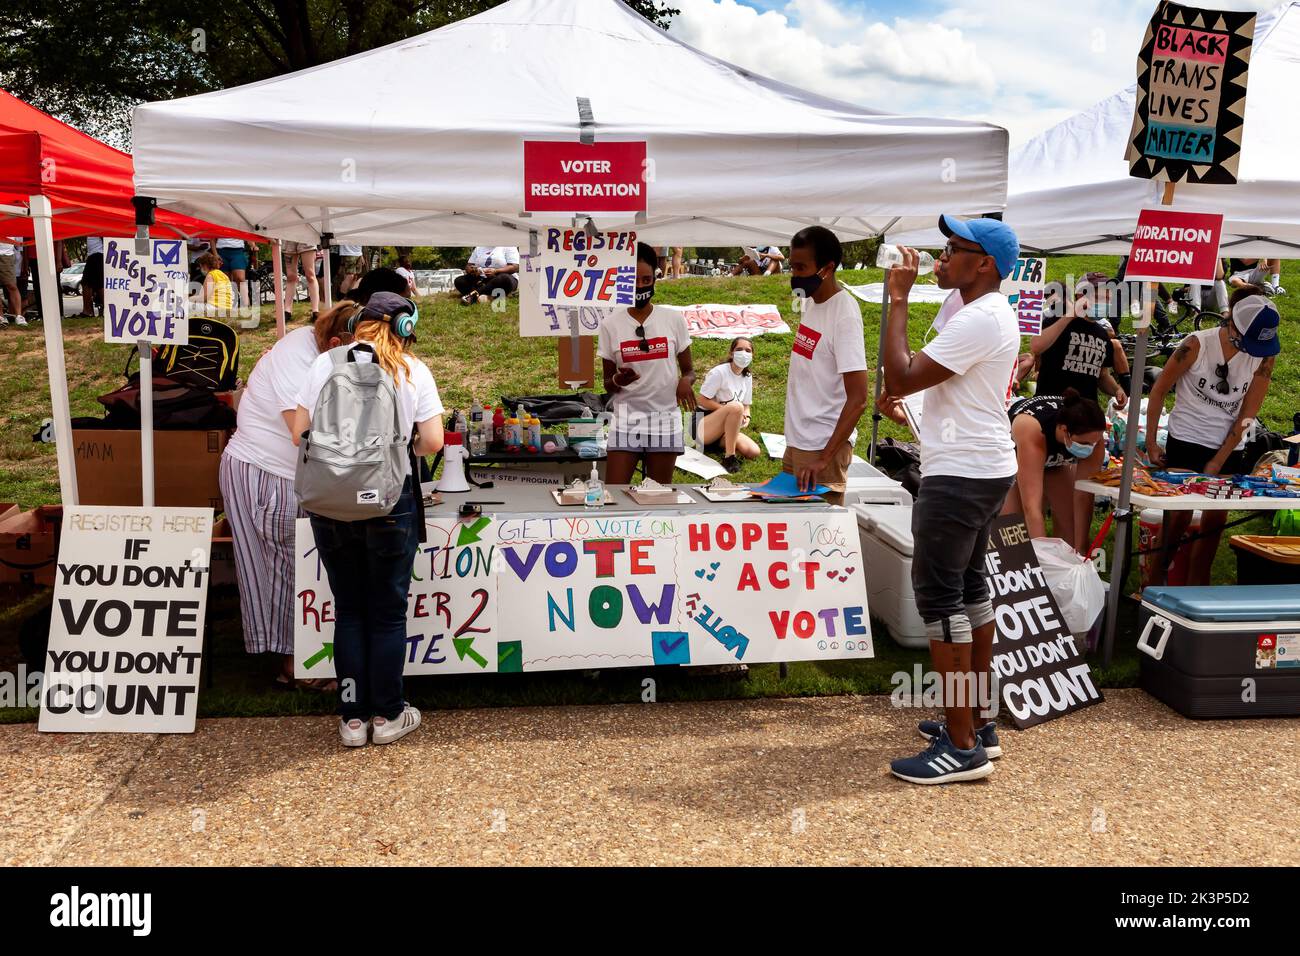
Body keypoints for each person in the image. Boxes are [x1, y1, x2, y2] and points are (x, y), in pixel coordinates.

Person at [878, 216, 1022, 786]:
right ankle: (978, 721)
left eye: (951, 250)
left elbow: (902, 371)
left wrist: (897, 300)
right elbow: (930, 386)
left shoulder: (982, 316)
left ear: (983, 263)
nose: (939, 258)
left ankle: (962, 745)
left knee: (940, 602)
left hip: (961, 476)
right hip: (980, 468)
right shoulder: (975, 311)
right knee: (969, 591)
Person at [293, 292, 445, 747]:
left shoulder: (325, 365)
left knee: (350, 611)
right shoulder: (412, 369)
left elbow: (299, 432)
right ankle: (388, 715)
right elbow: (434, 441)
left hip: (332, 501)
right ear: (405, 326)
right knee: (387, 614)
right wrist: (395, 456)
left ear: (359, 323)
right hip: (389, 502)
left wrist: (344, 459)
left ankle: (353, 720)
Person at [220, 303, 356, 690]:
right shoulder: (296, 359)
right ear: (335, 342)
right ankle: (294, 664)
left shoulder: (316, 351)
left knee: (295, 567)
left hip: (292, 475)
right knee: (285, 569)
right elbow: (304, 432)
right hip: (270, 475)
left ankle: (300, 655)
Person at [1145, 289, 1281, 587]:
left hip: (1229, 446)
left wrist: (1219, 459)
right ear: (1233, 326)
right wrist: (1152, 442)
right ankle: (1152, 588)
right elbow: (1158, 390)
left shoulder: (1263, 356)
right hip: (1185, 439)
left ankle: (1197, 593)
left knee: (1212, 528)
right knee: (1175, 523)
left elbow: (1249, 411)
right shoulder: (1196, 345)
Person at [782, 227, 867, 506]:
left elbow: (858, 399)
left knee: (820, 542)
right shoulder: (811, 303)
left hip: (822, 447)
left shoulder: (844, 315)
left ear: (827, 268)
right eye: (792, 265)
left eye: (802, 267)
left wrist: (824, 458)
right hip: (799, 442)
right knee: (795, 535)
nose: (795, 274)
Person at [598, 242, 696, 484]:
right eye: (634, 281)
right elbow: (608, 384)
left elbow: (690, 370)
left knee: (658, 498)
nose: (640, 286)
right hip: (626, 421)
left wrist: (685, 381)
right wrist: (620, 379)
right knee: (615, 495)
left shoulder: (673, 319)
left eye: (646, 279)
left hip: (665, 421)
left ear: (655, 277)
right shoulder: (610, 325)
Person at [1002, 390, 1107, 553]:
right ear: (1064, 430)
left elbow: (1084, 496)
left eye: (1094, 442)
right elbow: (1032, 507)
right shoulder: (1032, 428)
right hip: (1012, 455)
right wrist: (1045, 562)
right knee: (1013, 530)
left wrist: (1080, 554)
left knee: (1071, 530)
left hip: (1053, 461)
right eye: (1084, 443)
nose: (1089, 447)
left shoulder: (1093, 436)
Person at [1030, 272, 1128, 408]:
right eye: (1102, 297)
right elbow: (1036, 346)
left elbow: (1102, 375)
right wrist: (1071, 315)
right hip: (1052, 407)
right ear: (1081, 296)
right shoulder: (1058, 320)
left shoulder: (1102, 334)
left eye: (1109, 299)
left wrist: (1116, 390)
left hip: (1085, 413)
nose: (1107, 303)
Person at [696, 337, 761, 473]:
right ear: (731, 353)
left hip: (725, 430)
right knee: (736, 407)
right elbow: (701, 400)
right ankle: (729, 457)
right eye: (739, 349)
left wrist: (746, 417)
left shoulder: (747, 376)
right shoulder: (719, 372)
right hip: (701, 427)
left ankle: (718, 447)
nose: (744, 353)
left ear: (752, 355)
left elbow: (747, 405)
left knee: (753, 451)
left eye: (748, 350)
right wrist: (729, 411)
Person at [454, 246, 520, 304]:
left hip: (501, 278)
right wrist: (473, 270)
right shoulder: (479, 248)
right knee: (459, 281)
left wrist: (496, 271)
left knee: (504, 279)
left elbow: (514, 267)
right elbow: (468, 266)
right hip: (482, 279)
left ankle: (473, 296)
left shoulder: (509, 246)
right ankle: (489, 296)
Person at [281, 241, 321, 326]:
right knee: (291, 276)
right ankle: (287, 311)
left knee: (310, 274)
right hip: (288, 236)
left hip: (305, 236)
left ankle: (315, 311)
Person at [216, 237, 255, 308]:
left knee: (240, 278)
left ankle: (247, 306)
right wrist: (215, 254)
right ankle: (227, 307)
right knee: (225, 281)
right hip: (221, 251)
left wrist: (253, 245)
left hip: (238, 250)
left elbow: (246, 233)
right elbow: (212, 238)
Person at [195, 252, 234, 316]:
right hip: (227, 309)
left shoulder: (211, 275)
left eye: (201, 266)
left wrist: (188, 299)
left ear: (205, 265)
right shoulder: (224, 275)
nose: (201, 269)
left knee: (186, 305)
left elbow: (204, 298)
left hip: (215, 308)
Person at [79, 236, 104, 318]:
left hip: (97, 254)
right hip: (94, 254)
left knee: (88, 283)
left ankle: (88, 311)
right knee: (95, 283)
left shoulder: (98, 224)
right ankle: (88, 310)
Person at [0, 237, 21, 324]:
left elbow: (19, 243)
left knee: (12, 286)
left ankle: (19, 316)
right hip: (6, 252)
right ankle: (1, 317)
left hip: (6, 254)